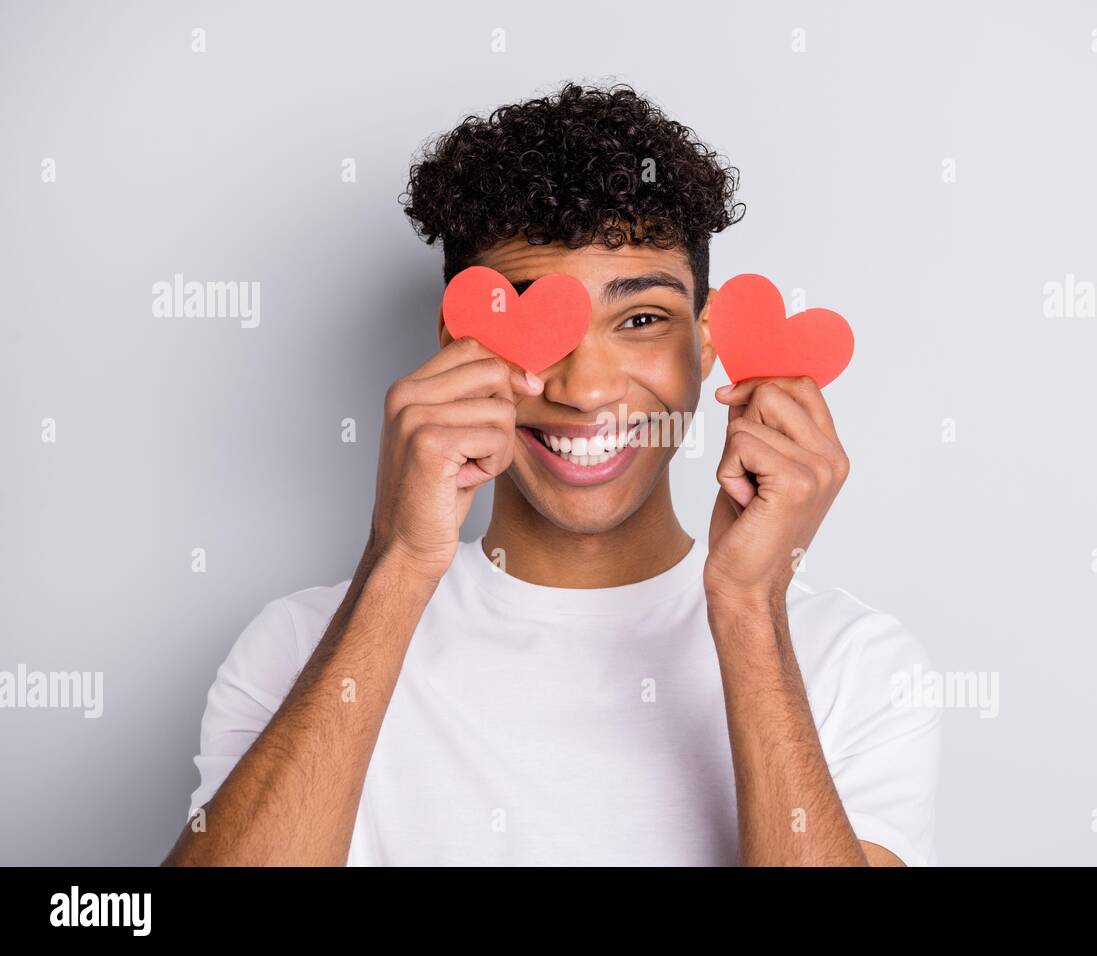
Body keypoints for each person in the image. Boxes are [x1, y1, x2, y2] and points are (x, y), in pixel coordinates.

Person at [164, 82, 941, 866]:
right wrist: (398, 566)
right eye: (539, 322)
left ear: (707, 347)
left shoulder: (852, 662)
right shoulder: (298, 648)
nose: (585, 389)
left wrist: (747, 608)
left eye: (641, 320)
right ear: (456, 345)